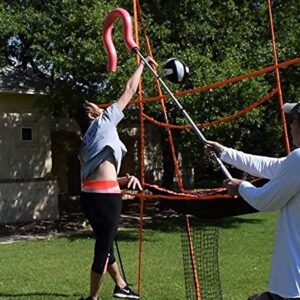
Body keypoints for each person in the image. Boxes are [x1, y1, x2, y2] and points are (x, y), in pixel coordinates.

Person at [73, 56, 157, 300]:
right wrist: (142, 65)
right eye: (94, 106)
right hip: (107, 200)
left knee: (106, 243)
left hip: (89, 198)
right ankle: (93, 298)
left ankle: (120, 285)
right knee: (103, 248)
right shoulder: (105, 122)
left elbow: (95, 177)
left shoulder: (84, 144)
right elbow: (130, 89)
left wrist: (122, 180)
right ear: (91, 112)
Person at [205, 102, 300, 300]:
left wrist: (240, 186)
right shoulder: (295, 161)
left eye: (293, 121)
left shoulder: (298, 160)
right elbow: (272, 166)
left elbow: (265, 200)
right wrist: (225, 153)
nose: (290, 126)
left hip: (292, 284)